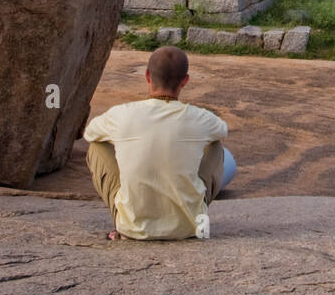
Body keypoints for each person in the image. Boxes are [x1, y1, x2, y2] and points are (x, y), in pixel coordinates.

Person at [84, 47, 235, 241]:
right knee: (215, 146)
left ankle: (125, 222)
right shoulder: (200, 118)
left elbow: (90, 133)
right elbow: (222, 130)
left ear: (147, 76)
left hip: (134, 229)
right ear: (185, 81)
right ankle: (193, 212)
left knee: (96, 146)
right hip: (189, 229)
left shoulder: (121, 114)